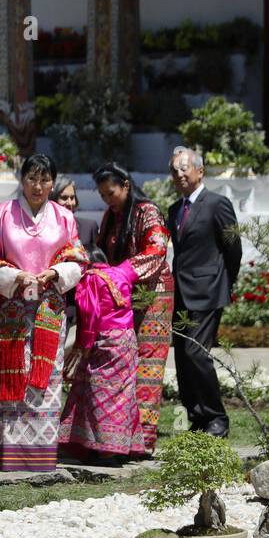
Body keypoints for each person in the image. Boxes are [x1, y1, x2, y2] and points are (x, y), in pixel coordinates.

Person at [0, 153, 88, 472]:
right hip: (12, 309)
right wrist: (14, 276)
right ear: (22, 179)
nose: (38, 185)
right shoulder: (3, 213)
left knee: (47, 377)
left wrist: (56, 273)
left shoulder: (63, 217)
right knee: (12, 373)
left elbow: (78, 258)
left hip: (48, 308)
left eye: (45, 179)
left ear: (52, 183)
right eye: (32, 178)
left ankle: (42, 455)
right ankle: (10, 455)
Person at [93, 163, 175, 455]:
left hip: (154, 296)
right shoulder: (111, 215)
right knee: (121, 365)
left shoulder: (148, 212)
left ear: (126, 185)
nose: (108, 199)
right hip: (123, 296)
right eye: (103, 195)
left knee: (148, 367)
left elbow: (157, 249)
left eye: (111, 193)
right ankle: (118, 436)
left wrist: (123, 272)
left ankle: (144, 440)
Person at [167, 145, 241, 438]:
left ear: (200, 171)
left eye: (184, 168)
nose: (179, 174)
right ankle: (196, 418)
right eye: (174, 170)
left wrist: (223, 281)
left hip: (207, 291)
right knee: (183, 358)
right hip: (181, 293)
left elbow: (233, 248)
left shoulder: (217, 204)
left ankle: (216, 418)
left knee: (196, 353)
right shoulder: (175, 210)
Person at [59, 249, 142, 461]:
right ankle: (123, 447)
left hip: (105, 340)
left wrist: (84, 346)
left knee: (99, 393)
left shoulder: (90, 279)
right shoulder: (121, 272)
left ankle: (103, 450)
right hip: (127, 339)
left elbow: (90, 313)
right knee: (123, 394)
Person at [51, 175, 97, 255]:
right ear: (52, 199)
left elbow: (97, 259)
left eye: (72, 198)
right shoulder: (44, 229)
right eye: (64, 198)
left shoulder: (88, 227)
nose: (70, 203)